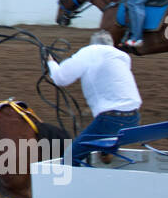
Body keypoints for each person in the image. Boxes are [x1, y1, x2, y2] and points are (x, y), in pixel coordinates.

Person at [46, 31, 143, 166]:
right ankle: (107, 151)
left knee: (69, 159)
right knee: (101, 135)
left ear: (93, 44)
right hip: (133, 118)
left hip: (110, 119)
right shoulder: (122, 56)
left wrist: (51, 63)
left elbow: (60, 78)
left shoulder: (89, 52)